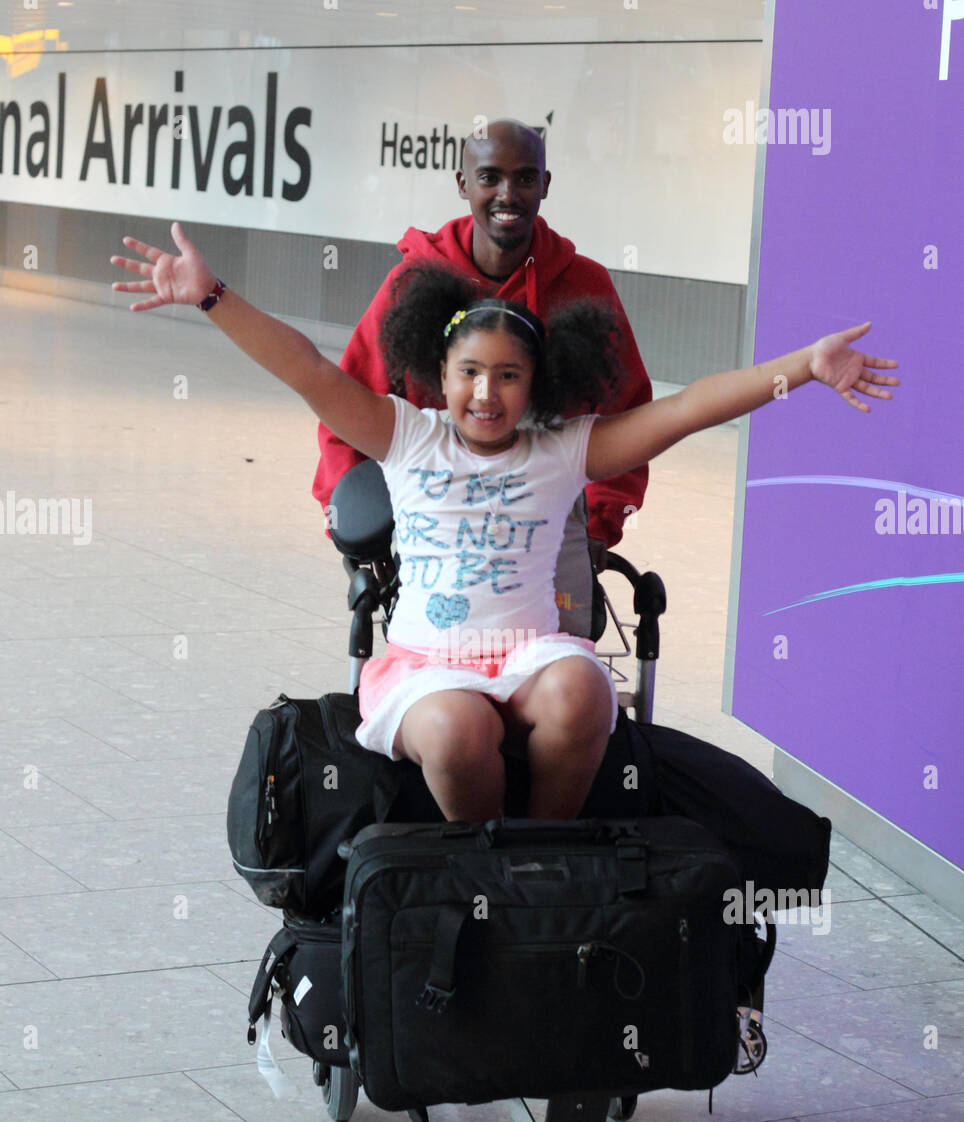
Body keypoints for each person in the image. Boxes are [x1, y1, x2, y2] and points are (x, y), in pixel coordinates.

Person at [110, 222, 898, 825]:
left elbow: (688, 408)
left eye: (508, 376)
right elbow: (307, 368)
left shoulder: (562, 449)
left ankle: (542, 855)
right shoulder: (404, 434)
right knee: (455, 734)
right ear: (439, 374)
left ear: (536, 385)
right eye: (470, 373)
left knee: (583, 691)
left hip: (530, 656)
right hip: (427, 666)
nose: (486, 394)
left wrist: (804, 367)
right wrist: (212, 297)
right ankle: (480, 861)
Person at [313, 119, 655, 638]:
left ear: (545, 184)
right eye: (490, 177)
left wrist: (599, 524)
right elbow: (350, 401)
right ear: (463, 183)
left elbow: (627, 412)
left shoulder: (585, 284)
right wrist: (362, 525)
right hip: (438, 523)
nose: (507, 194)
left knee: (556, 675)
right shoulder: (415, 281)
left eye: (525, 178)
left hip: (546, 525)